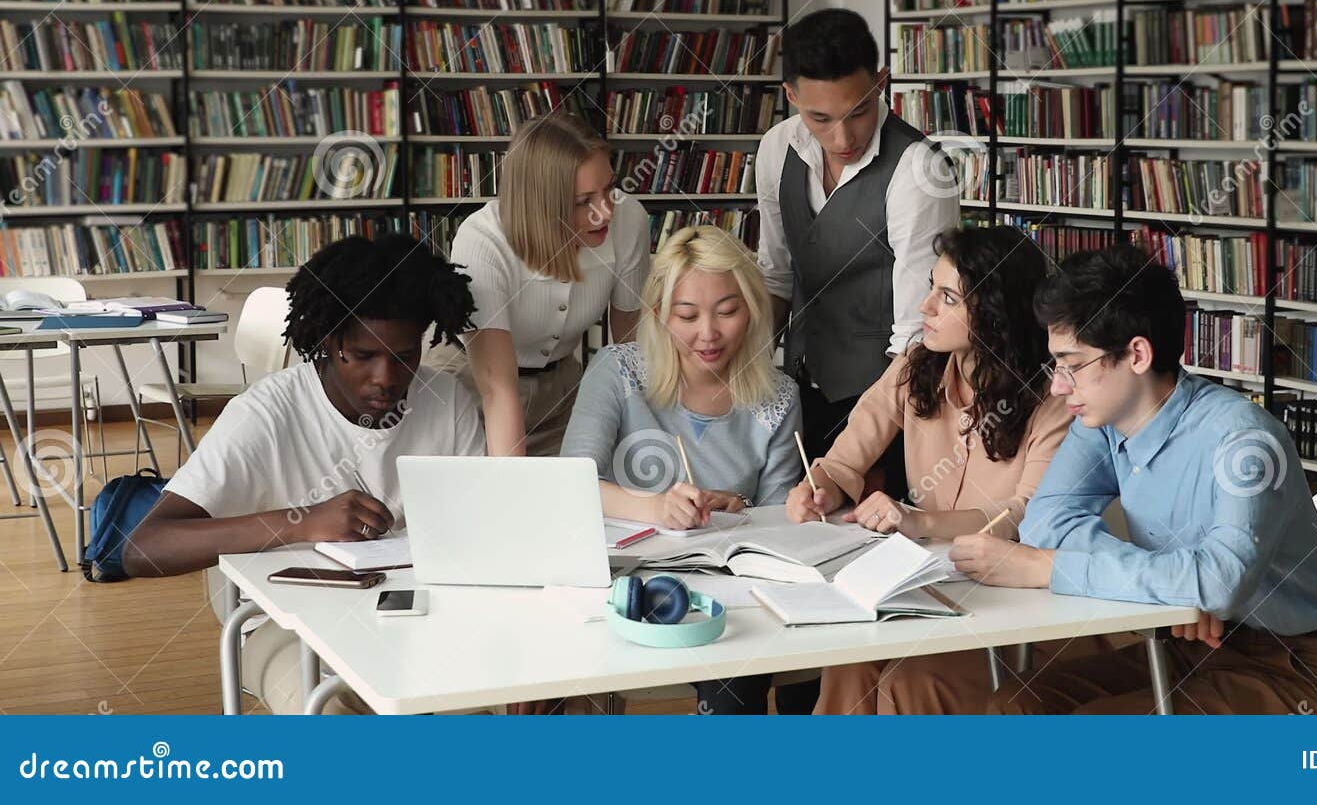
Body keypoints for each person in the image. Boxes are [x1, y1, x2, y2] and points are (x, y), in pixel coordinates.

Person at [950, 243, 1317, 715]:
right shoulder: (1103, 421)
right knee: (1016, 704)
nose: (1057, 385)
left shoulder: (1245, 440)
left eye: (1072, 364)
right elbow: (1045, 521)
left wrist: (1048, 568)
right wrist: (1180, 587)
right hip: (1188, 639)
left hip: (1298, 668)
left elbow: (1219, 582)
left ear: (1137, 355)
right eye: (1055, 364)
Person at [124, 234, 487, 714]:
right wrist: (300, 521)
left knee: (487, 702)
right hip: (279, 618)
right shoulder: (265, 414)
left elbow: (480, 530)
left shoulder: (448, 401)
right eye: (362, 355)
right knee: (333, 716)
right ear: (328, 342)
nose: (387, 377)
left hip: (413, 608)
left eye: (404, 356)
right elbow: (142, 550)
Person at [781, 225, 1075, 714]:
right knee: (850, 661)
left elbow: (1025, 516)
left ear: (995, 312)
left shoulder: (1052, 398)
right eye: (931, 289)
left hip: (1015, 604)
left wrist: (920, 521)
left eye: (949, 298)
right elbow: (845, 457)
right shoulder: (917, 364)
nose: (926, 308)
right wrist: (824, 487)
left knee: (909, 678)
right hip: (923, 588)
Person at [562, 225, 807, 714]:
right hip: (620, 580)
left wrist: (738, 507)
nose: (709, 334)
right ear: (658, 313)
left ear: (754, 309)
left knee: (737, 685)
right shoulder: (617, 369)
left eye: (728, 311)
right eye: (687, 315)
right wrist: (656, 507)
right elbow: (571, 482)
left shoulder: (779, 396)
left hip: (724, 591)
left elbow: (777, 519)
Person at [756, 7, 958, 502]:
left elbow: (918, 338)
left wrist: (855, 456)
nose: (842, 139)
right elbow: (776, 277)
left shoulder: (919, 171)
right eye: (819, 118)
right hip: (800, 387)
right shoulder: (774, 148)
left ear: (882, 82)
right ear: (792, 97)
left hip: (892, 402)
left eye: (859, 112)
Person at [448, 111, 650, 457]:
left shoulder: (629, 218)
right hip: (471, 386)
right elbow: (498, 391)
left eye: (609, 187)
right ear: (540, 205)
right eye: (583, 201)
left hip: (559, 387)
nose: (606, 211)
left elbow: (631, 353)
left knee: (573, 494)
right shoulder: (482, 240)